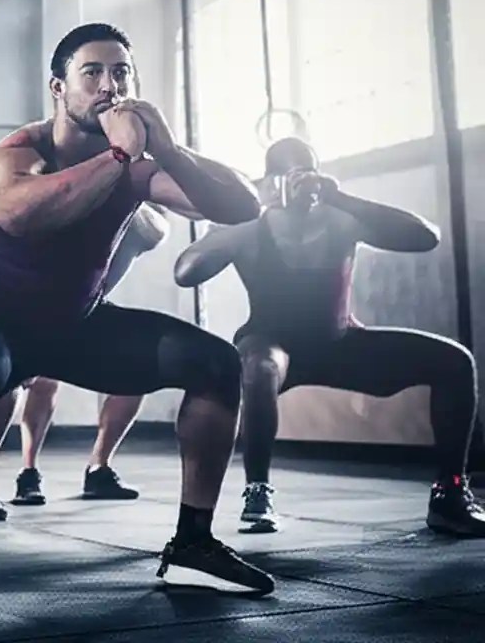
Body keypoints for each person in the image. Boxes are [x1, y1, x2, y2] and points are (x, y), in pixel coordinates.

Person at [0, 22, 273, 595]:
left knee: (215, 364)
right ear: (58, 86)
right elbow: (17, 213)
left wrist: (170, 148)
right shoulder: (15, 153)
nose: (109, 86)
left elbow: (242, 206)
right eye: (92, 73)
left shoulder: (135, 167)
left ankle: (193, 543)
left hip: (79, 326)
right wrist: (117, 155)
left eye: (121, 72)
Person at [174, 136, 485, 537]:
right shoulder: (251, 228)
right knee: (260, 366)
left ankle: (450, 495)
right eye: (288, 178)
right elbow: (186, 273)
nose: (300, 187)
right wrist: (245, 215)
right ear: (270, 182)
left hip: (339, 343)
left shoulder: (342, 219)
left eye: (307, 176)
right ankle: (257, 491)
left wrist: (345, 199)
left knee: (455, 361)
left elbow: (426, 237)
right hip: (271, 344)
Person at [0, 203, 171, 509]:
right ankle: (19, 474)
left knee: (137, 370)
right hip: (29, 308)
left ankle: (99, 469)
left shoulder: (139, 217)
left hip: (86, 311)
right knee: (37, 381)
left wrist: (130, 184)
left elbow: (156, 229)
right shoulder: (64, 198)